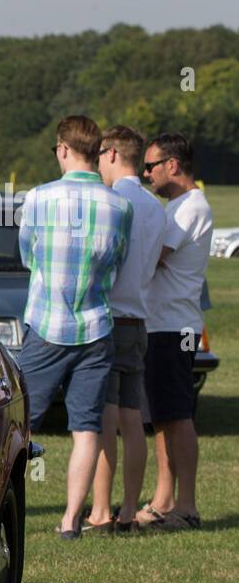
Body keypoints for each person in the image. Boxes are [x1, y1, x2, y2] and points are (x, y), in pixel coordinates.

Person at [16, 116, 132, 540]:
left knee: (18, 422)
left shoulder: (39, 198)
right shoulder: (121, 205)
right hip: (97, 325)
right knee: (87, 427)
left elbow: (28, 255)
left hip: (46, 322)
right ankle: (70, 521)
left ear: (64, 149)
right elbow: (117, 264)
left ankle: (1, 509)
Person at [86, 126, 169, 535]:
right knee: (134, 420)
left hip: (109, 318)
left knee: (104, 419)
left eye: (99, 155)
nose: (97, 164)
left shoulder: (111, 202)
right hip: (140, 319)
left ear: (114, 154)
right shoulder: (156, 207)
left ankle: (101, 510)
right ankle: (129, 510)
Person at [136, 132, 212, 532]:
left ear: (173, 165)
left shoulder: (190, 207)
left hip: (174, 326)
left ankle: (187, 505)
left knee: (178, 415)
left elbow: (154, 256)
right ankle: (164, 499)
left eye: (150, 166)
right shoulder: (177, 207)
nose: (145, 173)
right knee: (163, 417)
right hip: (161, 325)